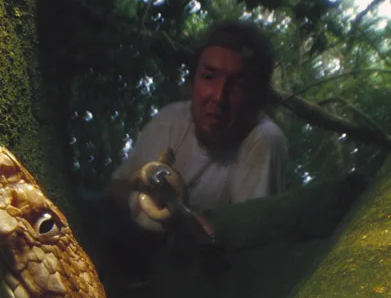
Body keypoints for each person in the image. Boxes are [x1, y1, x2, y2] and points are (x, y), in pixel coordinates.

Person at [108, 20, 287, 226]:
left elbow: (245, 235)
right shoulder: (170, 120)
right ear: (193, 83)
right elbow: (117, 185)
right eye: (209, 77)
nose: (219, 97)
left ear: (257, 98)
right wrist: (139, 205)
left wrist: (178, 220)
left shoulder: (263, 139)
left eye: (238, 85)